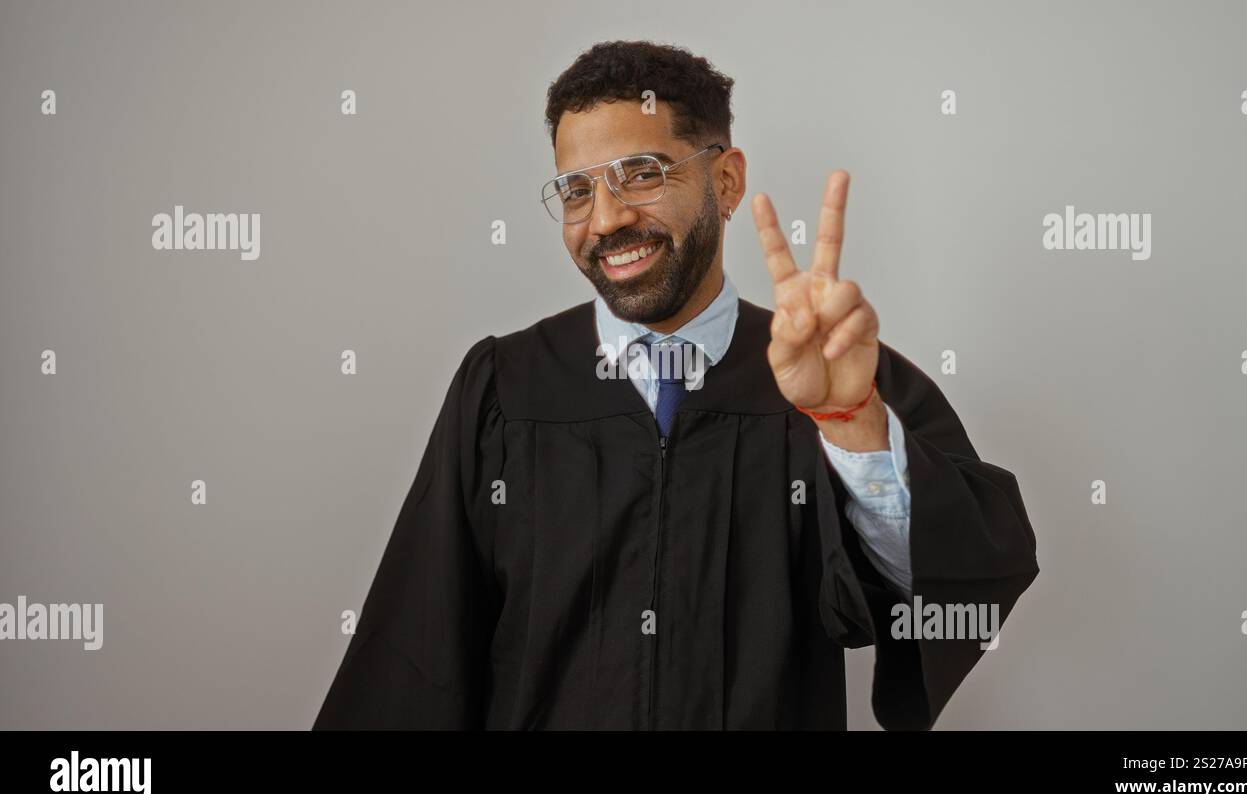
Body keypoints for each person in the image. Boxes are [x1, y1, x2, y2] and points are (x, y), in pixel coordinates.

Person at [314, 40, 1038, 730]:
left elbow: (960, 582)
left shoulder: (829, 373)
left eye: (641, 173)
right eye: (576, 189)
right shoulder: (505, 388)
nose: (606, 219)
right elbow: (414, 653)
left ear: (724, 180)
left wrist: (850, 423)